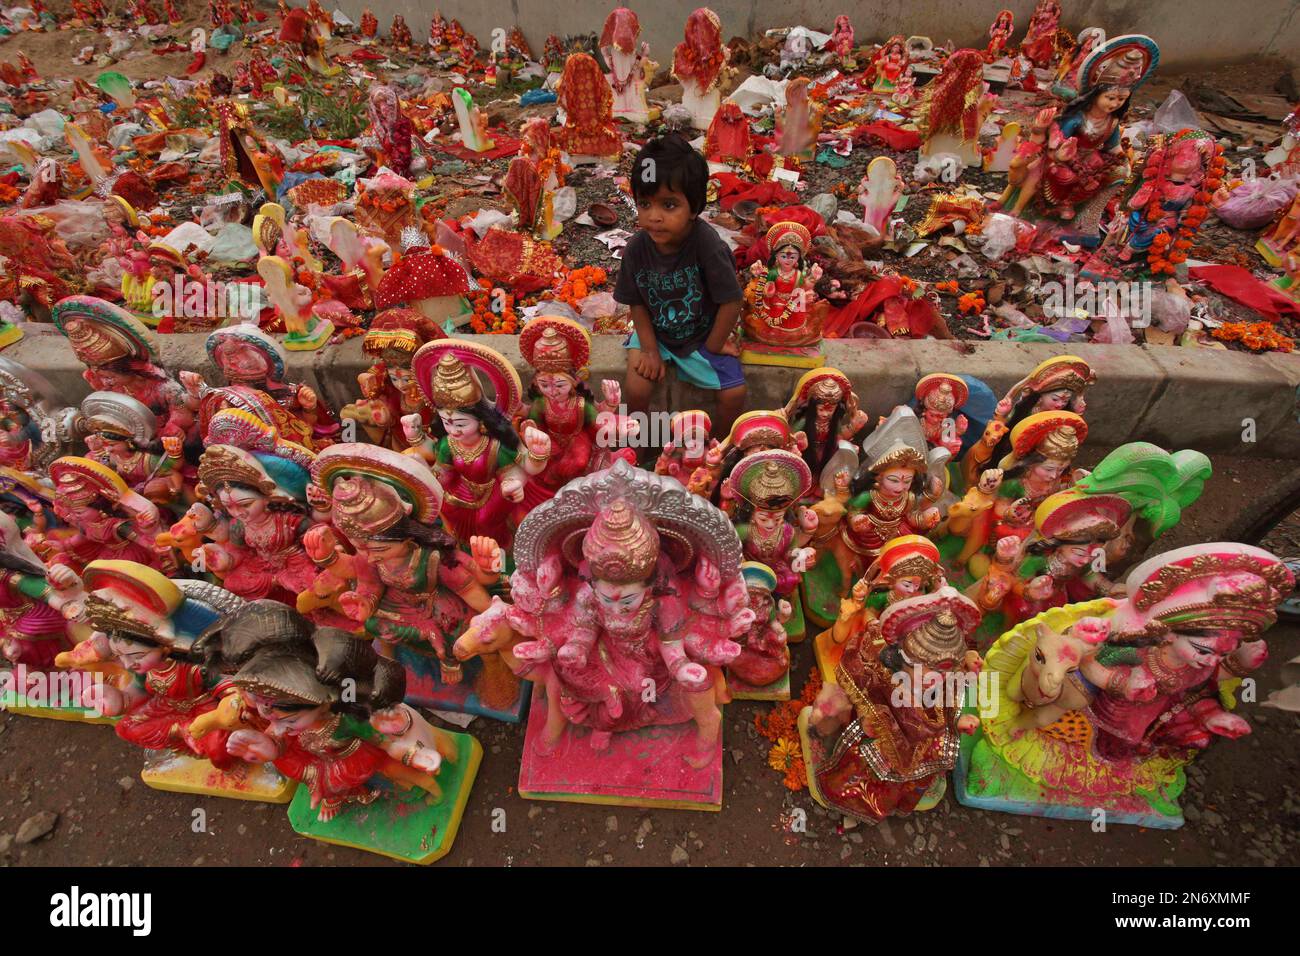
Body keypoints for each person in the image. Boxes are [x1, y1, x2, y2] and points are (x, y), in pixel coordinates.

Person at [616, 134, 745, 440]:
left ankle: (721, 450)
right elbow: (637, 302)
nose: (654, 217)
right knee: (636, 389)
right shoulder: (636, 249)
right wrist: (649, 349)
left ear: (694, 206)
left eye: (669, 205)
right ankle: (640, 448)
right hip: (655, 332)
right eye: (644, 204)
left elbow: (731, 300)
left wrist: (714, 344)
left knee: (734, 394)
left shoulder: (707, 245)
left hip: (700, 334)